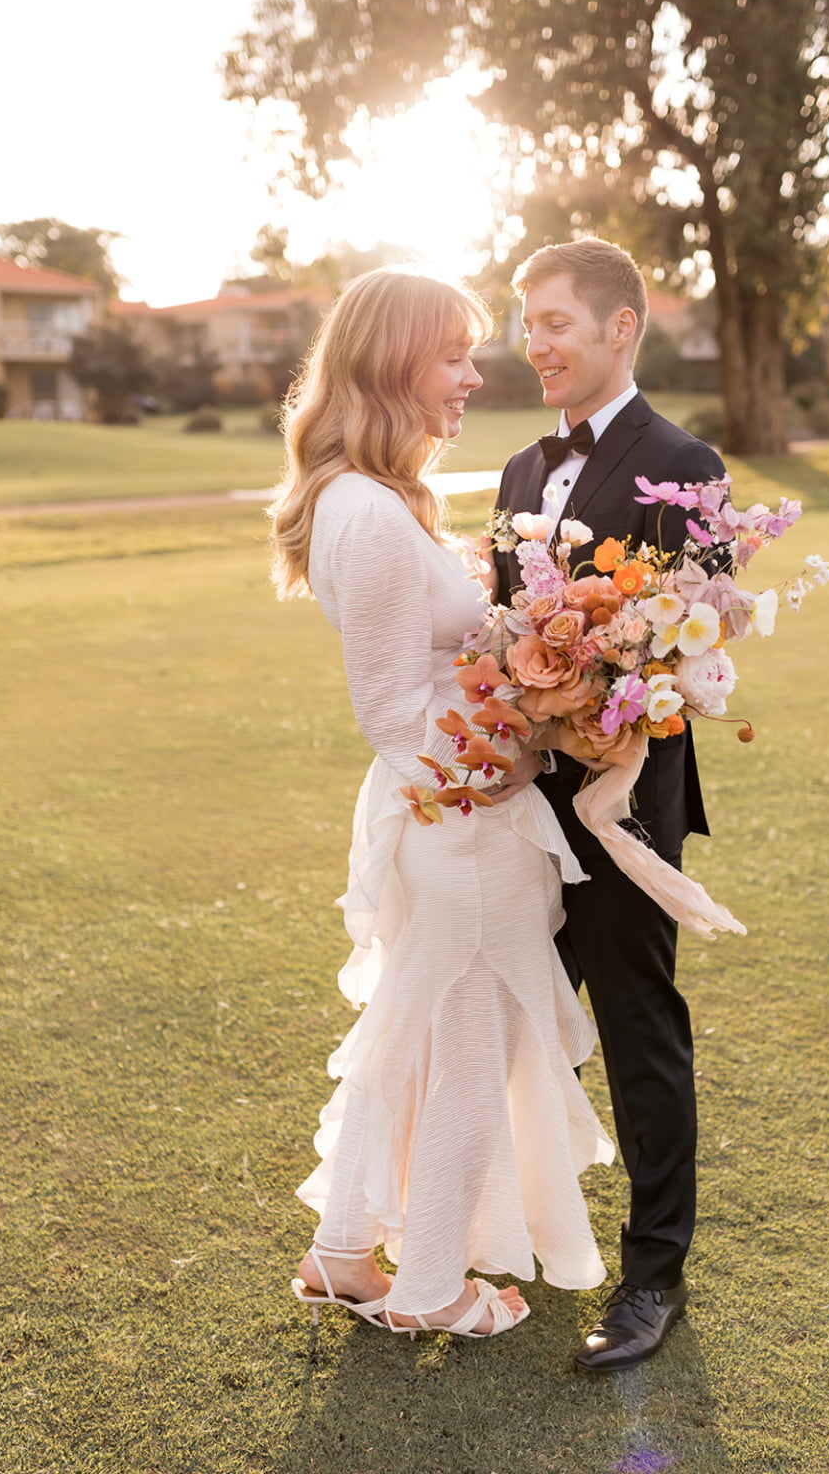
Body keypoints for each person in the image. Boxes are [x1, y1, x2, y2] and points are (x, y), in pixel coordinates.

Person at [269, 266, 613, 1341]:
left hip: (450, 816)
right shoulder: (367, 515)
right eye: (453, 356)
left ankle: (342, 1253)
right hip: (457, 825)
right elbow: (387, 710)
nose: (472, 377)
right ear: (391, 363)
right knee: (470, 1045)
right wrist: (507, 761)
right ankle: (427, 1287)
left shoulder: (367, 498)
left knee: (415, 1032)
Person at [492, 237, 727, 1371]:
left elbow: (697, 642)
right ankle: (499, 1234)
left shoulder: (686, 463)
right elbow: (501, 626)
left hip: (622, 812)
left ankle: (652, 1279)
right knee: (506, 1016)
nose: (532, 344)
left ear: (619, 325)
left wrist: (605, 699)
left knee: (637, 1032)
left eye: (554, 323)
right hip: (515, 808)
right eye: (526, 324)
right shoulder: (515, 472)